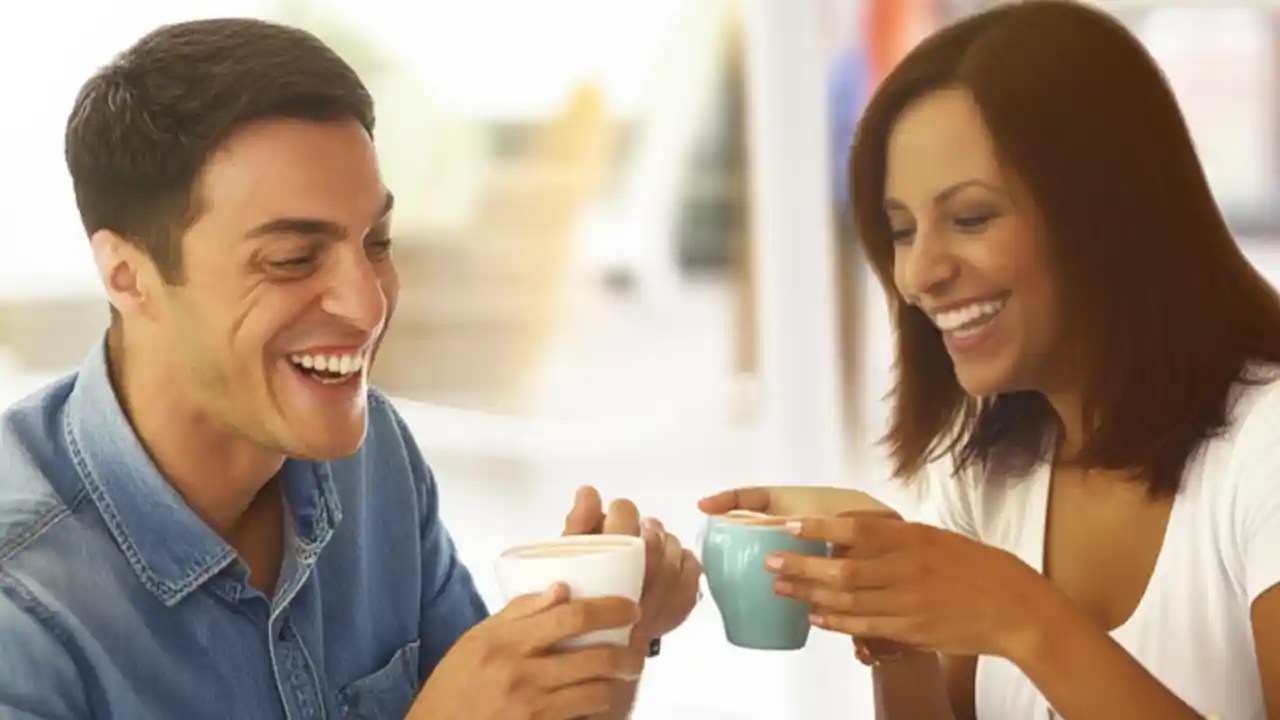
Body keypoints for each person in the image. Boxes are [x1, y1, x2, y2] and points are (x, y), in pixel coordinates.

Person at [0, 18, 700, 720]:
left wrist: (595, 638)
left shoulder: (373, 461)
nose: (367, 305)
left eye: (378, 242)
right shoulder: (23, 604)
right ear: (128, 276)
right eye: (292, 260)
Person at [702, 1, 1280, 718]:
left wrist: (1021, 614)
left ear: (1110, 211)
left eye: (971, 217)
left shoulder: (1265, 449)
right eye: (902, 230)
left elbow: (1022, 619)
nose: (918, 274)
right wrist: (897, 615)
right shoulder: (987, 467)